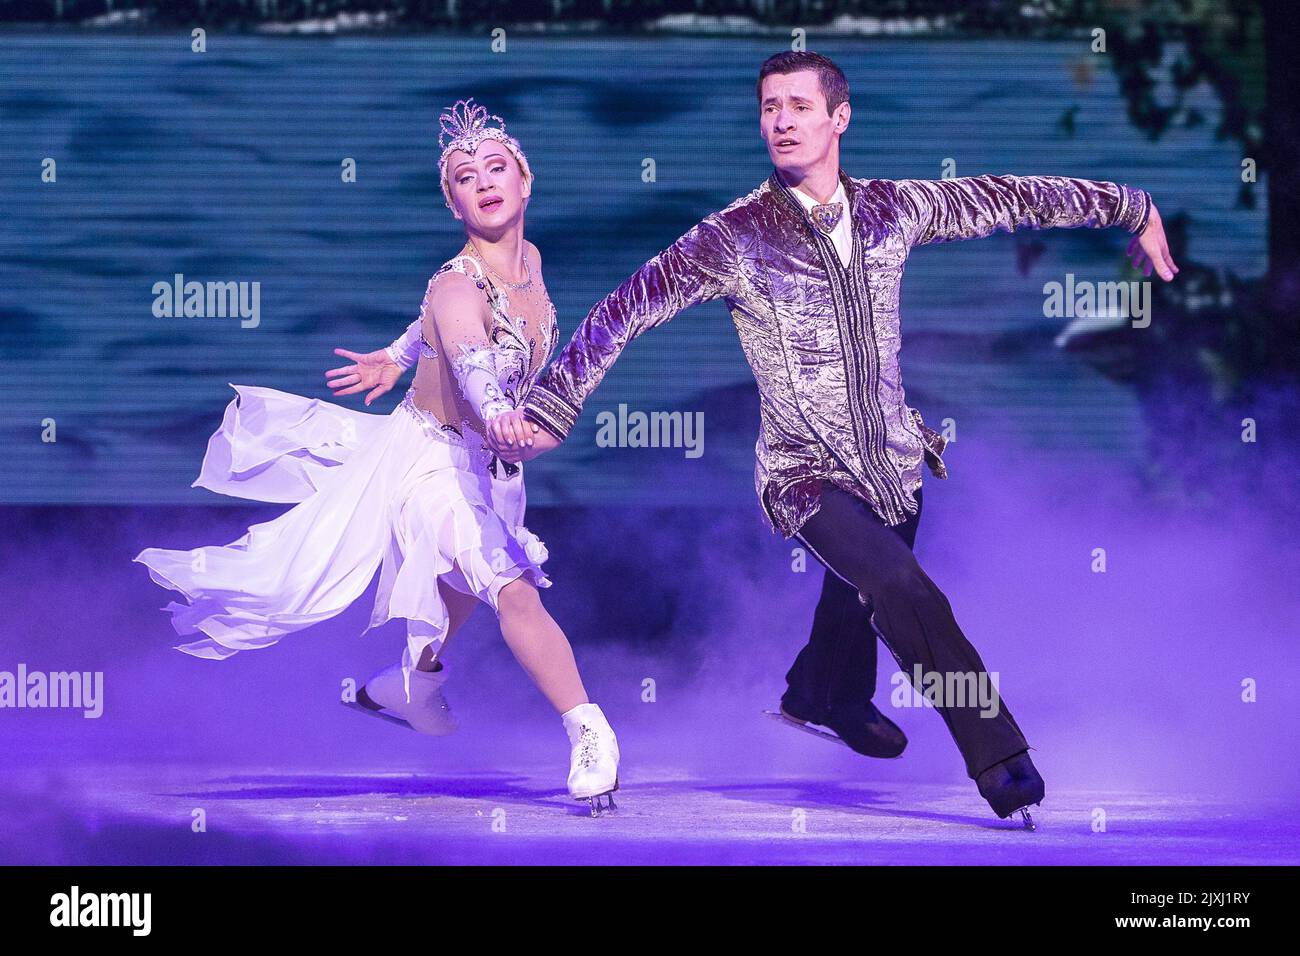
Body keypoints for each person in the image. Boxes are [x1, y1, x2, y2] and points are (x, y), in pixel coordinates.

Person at [488, 52, 1178, 829]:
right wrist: (552, 405)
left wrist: (1130, 205)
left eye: (798, 106)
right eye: (769, 107)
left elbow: (1007, 199)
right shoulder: (736, 237)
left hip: (897, 465)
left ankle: (824, 694)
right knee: (902, 591)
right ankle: (1002, 762)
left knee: (859, 599)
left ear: (838, 118)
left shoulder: (893, 209)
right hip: (803, 476)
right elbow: (625, 308)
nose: (780, 121)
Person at [133, 99, 620, 815]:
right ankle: (590, 731)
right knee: (509, 584)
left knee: (455, 585)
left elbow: (437, 329)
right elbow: (469, 349)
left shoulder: (529, 263)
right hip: (430, 460)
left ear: (525, 180)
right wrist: (500, 415)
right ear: (451, 201)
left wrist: (396, 356)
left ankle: (411, 686)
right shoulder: (457, 281)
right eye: (463, 176)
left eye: (494, 168)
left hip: (486, 465)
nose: (482, 181)